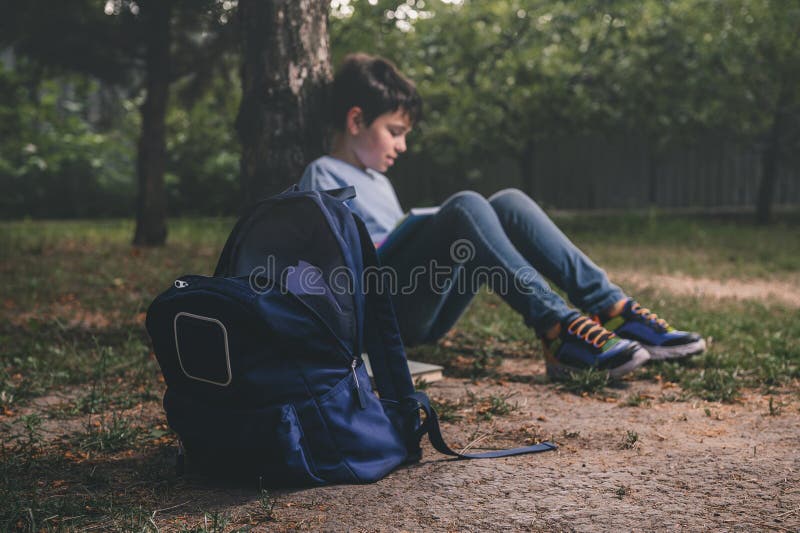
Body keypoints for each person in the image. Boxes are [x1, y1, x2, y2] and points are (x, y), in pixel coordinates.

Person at [299, 53, 705, 379]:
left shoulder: (377, 181)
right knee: (467, 206)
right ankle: (557, 328)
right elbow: (332, 272)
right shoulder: (322, 174)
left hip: (421, 310)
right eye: (395, 131)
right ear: (356, 120)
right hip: (383, 314)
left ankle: (612, 309)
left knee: (508, 202)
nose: (403, 146)